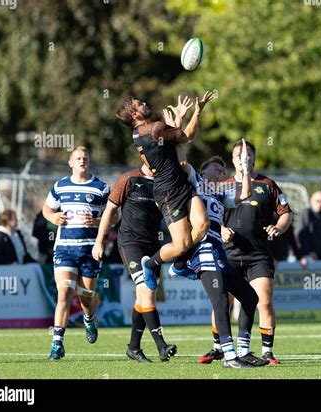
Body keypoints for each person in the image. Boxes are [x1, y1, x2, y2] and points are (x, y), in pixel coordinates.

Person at [171, 136, 264, 368]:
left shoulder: (219, 194)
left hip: (218, 251)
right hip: (202, 249)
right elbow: (182, 163)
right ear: (204, 169)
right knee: (221, 301)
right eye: (217, 166)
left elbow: (244, 195)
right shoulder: (196, 181)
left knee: (250, 297)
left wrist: (243, 166)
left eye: (223, 169)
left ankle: (242, 351)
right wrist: (175, 136)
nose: (221, 171)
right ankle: (229, 357)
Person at [200, 140, 292, 365]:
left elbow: (286, 212)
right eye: (238, 154)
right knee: (223, 301)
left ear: (253, 157)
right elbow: (209, 214)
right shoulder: (223, 186)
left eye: (247, 154)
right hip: (227, 253)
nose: (243, 158)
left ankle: (267, 351)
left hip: (257, 254)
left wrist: (279, 227)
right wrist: (221, 229)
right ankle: (218, 347)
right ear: (232, 160)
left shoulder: (268, 184)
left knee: (264, 300)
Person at [115, 92, 214, 290]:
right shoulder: (155, 128)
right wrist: (198, 111)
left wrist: (177, 120)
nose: (144, 103)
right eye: (139, 104)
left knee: (203, 225)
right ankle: (150, 264)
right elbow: (186, 137)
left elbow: (173, 145)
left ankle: (179, 265)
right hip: (168, 191)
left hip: (181, 184)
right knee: (181, 244)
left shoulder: (139, 134)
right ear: (134, 115)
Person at [92, 164, 177, 363]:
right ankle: (162, 346)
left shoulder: (163, 182)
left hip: (154, 246)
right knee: (147, 290)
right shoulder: (128, 179)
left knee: (144, 297)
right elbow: (110, 210)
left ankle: (133, 348)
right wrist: (99, 241)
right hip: (130, 244)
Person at [42, 146, 110, 361]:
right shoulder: (60, 186)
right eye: (78, 158)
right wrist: (53, 218)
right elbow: (46, 209)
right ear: (70, 163)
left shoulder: (101, 187)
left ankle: (89, 318)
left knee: (86, 297)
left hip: (90, 249)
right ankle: (57, 344)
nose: (82, 161)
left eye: (85, 158)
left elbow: (114, 217)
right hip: (65, 249)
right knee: (64, 293)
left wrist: (98, 221)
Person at [296, 191, 321, 260]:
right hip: (307, 256)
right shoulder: (305, 213)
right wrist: (308, 252)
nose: (320, 204)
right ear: (311, 200)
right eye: (317, 201)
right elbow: (301, 235)